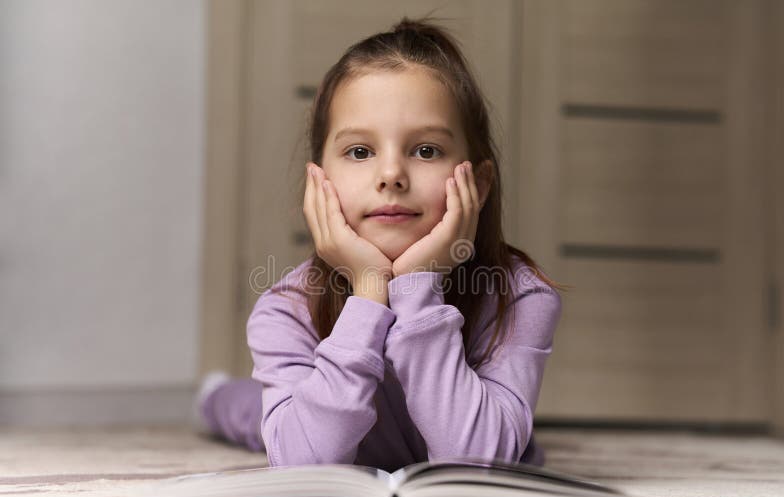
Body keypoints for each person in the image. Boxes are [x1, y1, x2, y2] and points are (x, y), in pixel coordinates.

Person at [195, 17, 565, 471]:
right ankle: (215, 396)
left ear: (480, 183)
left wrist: (417, 283)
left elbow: (477, 461)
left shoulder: (520, 296)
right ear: (320, 182)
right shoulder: (285, 309)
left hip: (469, 421)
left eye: (426, 150)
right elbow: (304, 464)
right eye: (360, 152)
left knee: (510, 433)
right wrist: (369, 290)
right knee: (252, 414)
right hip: (308, 402)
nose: (391, 175)